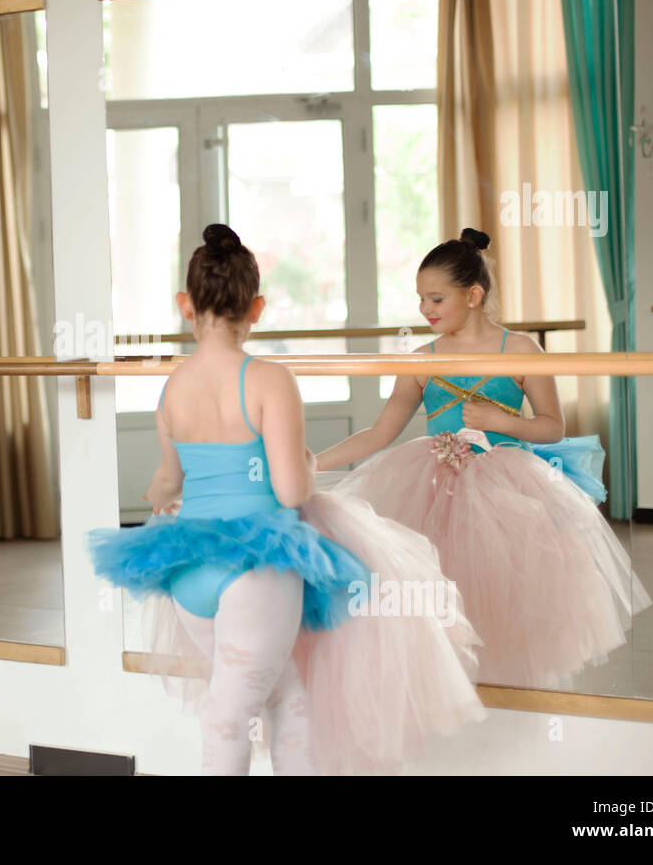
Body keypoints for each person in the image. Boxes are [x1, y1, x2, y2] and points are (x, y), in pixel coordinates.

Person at [90, 224, 484, 775]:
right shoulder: (268, 379)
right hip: (257, 564)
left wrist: (159, 493)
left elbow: (166, 482)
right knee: (230, 715)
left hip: (187, 567)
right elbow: (292, 490)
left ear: (186, 305)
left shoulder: (173, 386)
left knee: (284, 696)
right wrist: (302, 460)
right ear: (257, 307)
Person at [316, 228, 650, 688]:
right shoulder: (421, 359)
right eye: (420, 299)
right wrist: (313, 464)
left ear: (472, 295)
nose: (424, 310)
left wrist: (502, 419)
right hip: (429, 484)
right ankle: (450, 686)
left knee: (498, 586)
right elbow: (379, 433)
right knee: (435, 582)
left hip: (506, 488)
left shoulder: (519, 349)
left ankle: (503, 690)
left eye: (436, 299)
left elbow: (552, 426)